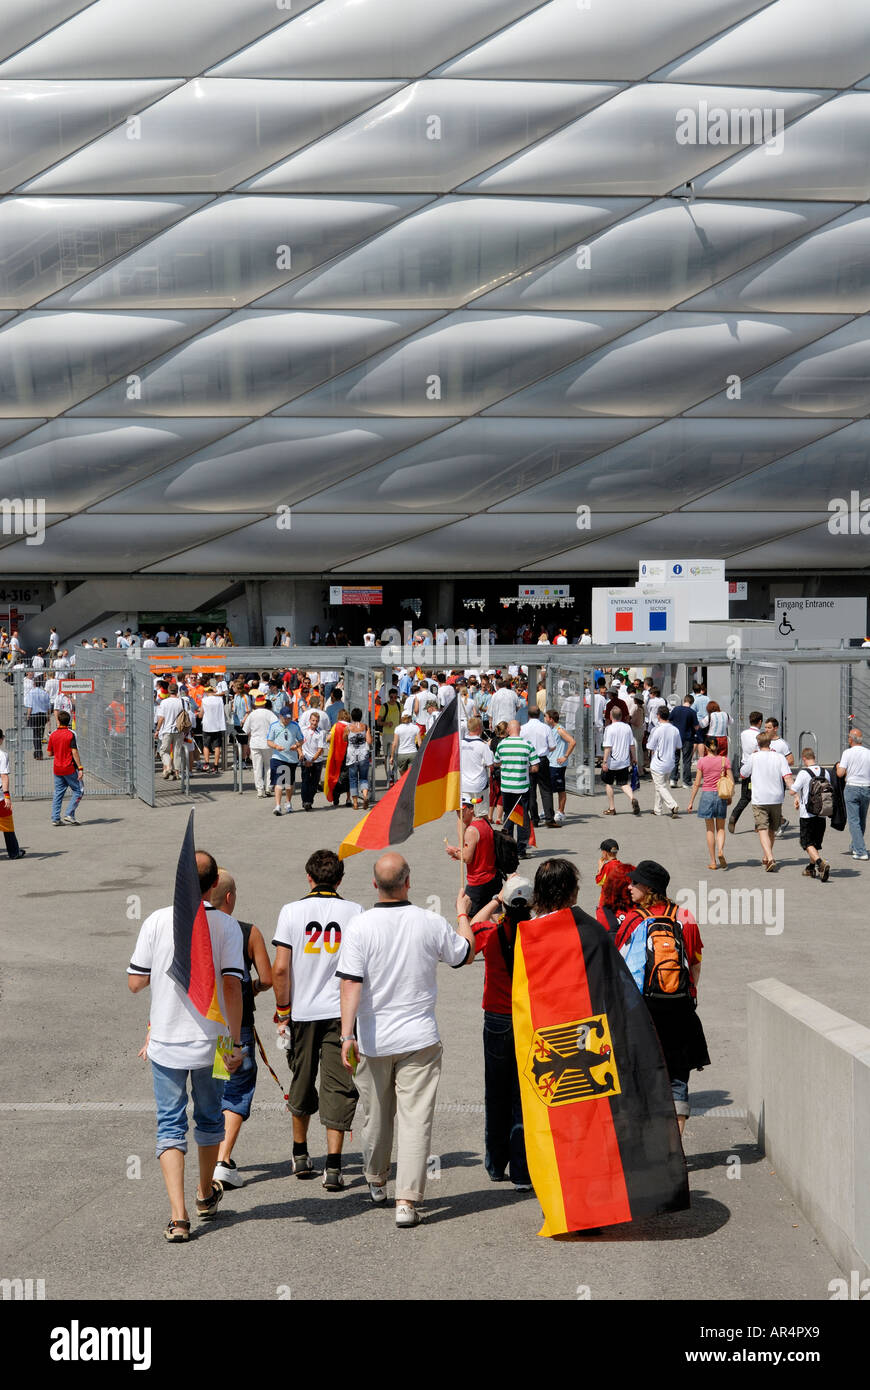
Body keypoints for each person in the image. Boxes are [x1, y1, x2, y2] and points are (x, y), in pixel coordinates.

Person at [338, 852, 476, 1226]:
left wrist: (346, 1034)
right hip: (419, 1038)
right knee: (416, 1120)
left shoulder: (359, 926)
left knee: (377, 1116)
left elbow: (350, 982)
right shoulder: (429, 921)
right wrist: (463, 913)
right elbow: (463, 955)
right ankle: (407, 1201)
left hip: (372, 1038)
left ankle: (376, 1178)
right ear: (408, 882)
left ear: (373, 885)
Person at [127, 851, 245, 1241]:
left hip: (165, 1041)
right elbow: (231, 986)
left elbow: (135, 982)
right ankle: (205, 1192)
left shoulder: (157, 921)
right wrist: (233, 1041)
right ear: (215, 885)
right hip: (213, 1043)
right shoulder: (227, 926)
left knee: (169, 1123)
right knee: (210, 1118)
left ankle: (178, 1217)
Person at [273, 850, 362, 1189]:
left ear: (308, 878)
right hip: (343, 1014)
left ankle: (300, 1154)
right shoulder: (354, 911)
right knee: (339, 1083)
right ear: (339, 880)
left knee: (302, 1076)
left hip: (303, 1012)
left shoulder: (291, 911)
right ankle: (335, 1166)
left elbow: (281, 968)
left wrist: (283, 1011)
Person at [616, 860, 709, 1137]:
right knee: (677, 1076)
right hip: (679, 1007)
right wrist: (686, 993)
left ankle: (648, 1148)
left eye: (634, 883)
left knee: (641, 1074)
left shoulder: (633, 919)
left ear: (648, 888)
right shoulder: (686, 916)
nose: (629, 886)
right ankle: (675, 1151)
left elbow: (618, 965)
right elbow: (695, 963)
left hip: (643, 1010)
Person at [464, 874, 534, 1191]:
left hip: (496, 1018)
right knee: (524, 1096)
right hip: (528, 1019)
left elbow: (471, 929)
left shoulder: (491, 933)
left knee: (496, 1092)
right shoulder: (538, 936)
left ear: (504, 903)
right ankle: (522, 1170)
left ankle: (495, 1163)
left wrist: (492, 900)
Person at [209, 870, 273, 1190]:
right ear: (230, 897)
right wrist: (254, 989)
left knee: (219, 1087)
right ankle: (222, 1160)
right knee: (236, 1090)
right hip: (234, 1028)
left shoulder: (195, 928)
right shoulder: (248, 932)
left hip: (202, 1025)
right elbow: (268, 977)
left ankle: (211, 1157)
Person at [739, 733, 795, 872]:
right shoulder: (780, 757)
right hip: (776, 798)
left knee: (762, 827)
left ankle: (770, 857)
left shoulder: (754, 757)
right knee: (772, 828)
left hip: (760, 798)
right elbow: (787, 777)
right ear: (770, 743)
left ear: (758, 744)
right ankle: (767, 855)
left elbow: (743, 774)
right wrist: (796, 795)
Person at [445, 796, 502, 913]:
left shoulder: (471, 830)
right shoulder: (485, 822)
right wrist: (459, 851)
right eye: (457, 811)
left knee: (463, 912)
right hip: (493, 877)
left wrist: (454, 853)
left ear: (471, 809)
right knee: (494, 913)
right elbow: (478, 849)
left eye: (462, 810)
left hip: (478, 880)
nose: (459, 814)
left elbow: (467, 858)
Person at [493, 720, 539, 859]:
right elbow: (535, 767)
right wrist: (525, 768)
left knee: (509, 816)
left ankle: (508, 849)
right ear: (520, 730)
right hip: (522, 788)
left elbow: (496, 762)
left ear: (508, 730)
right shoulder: (527, 745)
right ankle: (520, 850)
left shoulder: (502, 745)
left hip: (507, 787)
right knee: (521, 819)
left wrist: (506, 765)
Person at [687, 736, 731, 869]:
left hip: (706, 795)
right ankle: (720, 851)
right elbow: (731, 781)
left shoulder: (702, 762)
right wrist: (729, 796)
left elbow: (696, 783)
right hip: (721, 795)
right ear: (717, 746)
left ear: (706, 747)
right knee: (721, 828)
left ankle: (713, 862)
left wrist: (691, 801)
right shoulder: (724, 760)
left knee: (710, 829)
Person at [791, 747, 832, 881]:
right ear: (813, 757)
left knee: (807, 842)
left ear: (804, 758)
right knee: (814, 843)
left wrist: (796, 796)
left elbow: (793, 790)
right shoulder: (825, 772)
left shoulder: (803, 773)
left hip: (807, 814)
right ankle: (810, 867)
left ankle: (821, 863)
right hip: (821, 813)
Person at [835, 727, 870, 861]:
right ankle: (856, 845)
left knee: (854, 821)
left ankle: (861, 851)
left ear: (851, 739)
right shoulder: (868, 753)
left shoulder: (847, 753)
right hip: (866, 788)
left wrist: (838, 766)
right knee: (861, 819)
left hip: (852, 788)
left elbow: (840, 773)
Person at [47, 709, 84, 826]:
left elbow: (49, 753)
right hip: (69, 767)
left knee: (58, 792)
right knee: (79, 790)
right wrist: (80, 768)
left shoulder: (53, 734)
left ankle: (55, 818)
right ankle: (69, 813)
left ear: (58, 720)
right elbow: (74, 751)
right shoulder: (71, 734)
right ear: (68, 721)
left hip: (57, 768)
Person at [729, 710, 763, 833]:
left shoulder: (743, 733)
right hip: (756, 768)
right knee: (758, 797)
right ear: (760, 722)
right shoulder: (760, 736)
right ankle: (758, 824)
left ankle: (734, 816)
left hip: (745, 766)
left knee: (745, 796)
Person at [601, 708, 639, 816]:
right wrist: (634, 758)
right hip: (624, 760)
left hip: (612, 761)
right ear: (621, 716)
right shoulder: (627, 727)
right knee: (623, 783)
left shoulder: (609, 729)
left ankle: (612, 808)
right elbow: (632, 745)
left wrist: (604, 762)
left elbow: (608, 747)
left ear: (611, 716)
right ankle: (632, 798)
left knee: (609, 783)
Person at [524, 708, 558, 829]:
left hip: (528, 760)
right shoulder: (545, 728)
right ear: (539, 715)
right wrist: (545, 750)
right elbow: (553, 746)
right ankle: (549, 817)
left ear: (528, 715)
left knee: (531, 791)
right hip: (542, 759)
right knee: (546, 790)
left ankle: (534, 819)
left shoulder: (523, 728)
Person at [647, 706, 681, 819]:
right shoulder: (675, 729)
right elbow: (678, 746)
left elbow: (650, 746)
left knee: (660, 786)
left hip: (658, 762)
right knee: (660, 785)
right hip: (670, 762)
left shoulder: (657, 729)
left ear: (658, 716)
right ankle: (658, 809)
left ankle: (673, 805)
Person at [267, 706, 303, 816]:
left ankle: (288, 802)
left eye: (289, 718)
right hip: (278, 757)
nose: (287, 720)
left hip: (291, 758)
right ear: (280, 716)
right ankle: (277, 806)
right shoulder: (274, 726)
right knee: (279, 781)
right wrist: (276, 746)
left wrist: (296, 745)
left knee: (288, 783)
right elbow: (269, 741)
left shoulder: (295, 726)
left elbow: (301, 739)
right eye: (285, 718)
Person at [594, 838, 634, 934]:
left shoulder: (607, 866)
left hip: (606, 901)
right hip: (619, 902)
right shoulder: (621, 866)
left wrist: (599, 868)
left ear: (604, 852)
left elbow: (599, 881)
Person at [543, 707, 575, 824]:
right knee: (549, 788)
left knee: (560, 789)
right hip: (551, 763)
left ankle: (561, 812)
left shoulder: (560, 729)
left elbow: (572, 742)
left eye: (546, 717)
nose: (545, 719)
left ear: (551, 719)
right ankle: (549, 810)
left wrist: (565, 756)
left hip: (558, 765)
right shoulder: (551, 729)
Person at [243, 693, 275, 798]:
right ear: (264, 703)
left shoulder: (252, 715)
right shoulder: (270, 714)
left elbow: (245, 730)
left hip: (255, 743)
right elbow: (276, 727)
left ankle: (260, 790)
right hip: (268, 743)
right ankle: (269, 787)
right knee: (269, 767)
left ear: (256, 704)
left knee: (257, 767)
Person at [0, 728, 25, 859]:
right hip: (0, 797)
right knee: (7, 824)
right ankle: (14, 852)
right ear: (1, 740)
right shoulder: (2, 755)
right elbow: (4, 776)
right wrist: (7, 796)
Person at [154, 681, 186, 780]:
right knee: (177, 752)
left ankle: (168, 766)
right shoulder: (182, 702)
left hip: (166, 730)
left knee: (164, 751)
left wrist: (157, 730)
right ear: (177, 691)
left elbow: (161, 718)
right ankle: (177, 771)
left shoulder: (164, 702)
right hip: (179, 730)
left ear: (168, 691)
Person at [669, 695, 700, 788]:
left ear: (684, 700)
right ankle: (686, 782)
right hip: (687, 738)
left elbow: (669, 720)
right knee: (687, 760)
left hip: (676, 737)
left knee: (675, 758)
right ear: (692, 702)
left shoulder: (675, 709)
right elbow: (696, 727)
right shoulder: (692, 712)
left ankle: (673, 779)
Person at [345, 708, 372, 811]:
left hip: (351, 756)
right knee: (363, 778)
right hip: (363, 755)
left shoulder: (348, 727)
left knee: (353, 779)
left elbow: (344, 739)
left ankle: (355, 803)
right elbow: (369, 741)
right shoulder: (365, 726)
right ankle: (365, 796)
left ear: (352, 717)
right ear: (361, 717)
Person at [300, 711, 326, 811]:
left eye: (316, 721)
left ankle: (310, 800)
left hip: (316, 760)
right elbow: (299, 743)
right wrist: (301, 754)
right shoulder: (303, 730)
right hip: (305, 758)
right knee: (305, 780)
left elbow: (320, 749)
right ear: (309, 720)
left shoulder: (321, 733)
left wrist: (312, 760)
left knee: (314, 783)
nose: (314, 723)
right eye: (313, 720)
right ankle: (305, 801)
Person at [199, 685, 226, 775]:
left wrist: (199, 715)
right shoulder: (219, 700)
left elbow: (201, 714)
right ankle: (216, 765)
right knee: (217, 746)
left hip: (207, 725)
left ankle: (207, 764)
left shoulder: (204, 700)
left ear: (207, 692)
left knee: (206, 745)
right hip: (218, 725)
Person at [391, 711, 420, 778]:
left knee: (403, 777)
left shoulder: (398, 728)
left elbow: (394, 744)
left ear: (401, 718)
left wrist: (392, 756)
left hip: (402, 754)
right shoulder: (415, 727)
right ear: (411, 718)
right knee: (412, 776)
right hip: (413, 753)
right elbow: (419, 743)